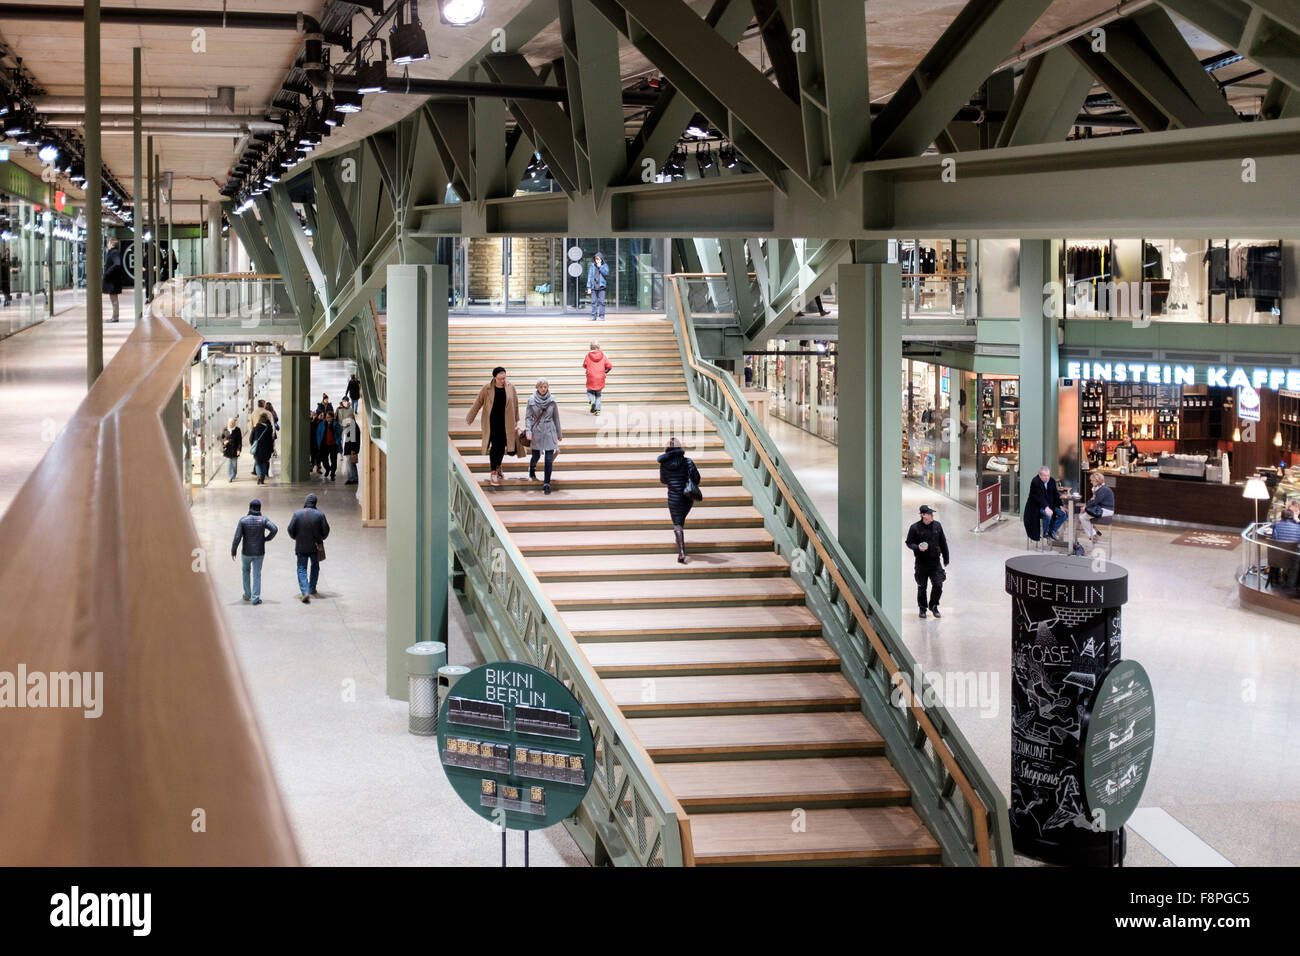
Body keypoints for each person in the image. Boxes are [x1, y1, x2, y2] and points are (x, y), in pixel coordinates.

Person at [465, 366, 520, 486]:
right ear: (494, 377)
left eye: (504, 378)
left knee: (501, 447)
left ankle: (499, 466)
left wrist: (516, 419)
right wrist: (470, 417)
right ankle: (493, 472)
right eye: (500, 379)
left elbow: (515, 403)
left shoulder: (510, 387)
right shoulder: (487, 388)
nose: (502, 381)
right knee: (495, 446)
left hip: (506, 423)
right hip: (492, 423)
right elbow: (478, 402)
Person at [659, 436, 701, 564]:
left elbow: (663, 480)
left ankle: (682, 552)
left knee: (677, 523)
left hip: (673, 497)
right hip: (687, 496)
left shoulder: (664, 464)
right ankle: (680, 540)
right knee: (680, 520)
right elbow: (697, 478)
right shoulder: (688, 462)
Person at [905, 504, 950, 619]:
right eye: (930, 514)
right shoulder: (914, 528)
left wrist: (946, 558)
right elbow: (909, 542)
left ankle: (934, 606)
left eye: (932, 514)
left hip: (935, 563)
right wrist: (917, 547)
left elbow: (943, 542)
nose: (932, 515)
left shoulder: (937, 526)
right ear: (923, 515)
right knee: (922, 587)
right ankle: (922, 608)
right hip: (921, 563)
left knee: (938, 585)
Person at [230, 498, 277, 605]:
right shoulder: (264, 520)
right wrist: (266, 539)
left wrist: (233, 551)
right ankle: (255, 598)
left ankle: (247, 595)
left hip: (246, 552)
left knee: (245, 572)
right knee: (257, 574)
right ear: (259, 508)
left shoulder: (243, 520)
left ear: (250, 508)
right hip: (259, 552)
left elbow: (237, 537)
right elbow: (274, 529)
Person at [287, 492, 329, 603]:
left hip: (301, 546)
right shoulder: (320, 515)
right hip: (315, 546)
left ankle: (305, 592)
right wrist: (320, 539)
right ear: (315, 502)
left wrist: (296, 537)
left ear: (306, 501)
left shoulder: (297, 514)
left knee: (301, 568)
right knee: (315, 566)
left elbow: (290, 529)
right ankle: (312, 588)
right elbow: (326, 531)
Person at [525, 377, 563, 495]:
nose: (543, 389)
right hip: (536, 431)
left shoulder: (552, 400)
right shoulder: (531, 400)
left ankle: (546, 483)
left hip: (549, 431)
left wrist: (559, 433)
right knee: (536, 456)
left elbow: (556, 417)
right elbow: (528, 417)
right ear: (537, 387)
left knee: (548, 459)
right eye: (541, 387)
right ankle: (532, 467)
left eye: (545, 387)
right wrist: (528, 431)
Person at [1024, 465, 1066, 546]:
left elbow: (1056, 494)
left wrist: (1060, 505)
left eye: (1048, 475)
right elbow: (1038, 497)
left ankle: (1052, 531)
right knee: (1048, 514)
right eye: (1045, 476)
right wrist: (1046, 507)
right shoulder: (1035, 482)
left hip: (1050, 505)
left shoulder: (1052, 481)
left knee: (1063, 514)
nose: (1047, 478)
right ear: (1040, 475)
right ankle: (1046, 532)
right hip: (1037, 506)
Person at [1077, 471, 1116, 543]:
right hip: (1103, 509)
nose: (1091, 482)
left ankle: (1093, 535)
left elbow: (1095, 501)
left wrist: (1085, 508)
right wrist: (1085, 507)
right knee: (1083, 515)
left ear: (1097, 481)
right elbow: (1093, 500)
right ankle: (1094, 532)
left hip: (1106, 511)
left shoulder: (1103, 490)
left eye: (1092, 480)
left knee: (1082, 517)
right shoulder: (1101, 488)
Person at [582, 340, 612, 415]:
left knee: (589, 391)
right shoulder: (604, 355)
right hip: (600, 377)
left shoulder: (588, 355)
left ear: (590, 347)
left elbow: (584, 365)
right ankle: (597, 410)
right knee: (598, 394)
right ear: (598, 347)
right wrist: (606, 371)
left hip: (591, 377)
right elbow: (609, 366)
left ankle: (592, 402)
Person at [103, 239, 128, 322]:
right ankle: (115, 316)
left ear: (111, 245)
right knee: (114, 299)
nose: (107, 244)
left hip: (113, 281)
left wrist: (108, 272)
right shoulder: (115, 252)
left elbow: (117, 263)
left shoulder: (114, 253)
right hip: (114, 280)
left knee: (114, 300)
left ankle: (115, 317)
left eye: (109, 243)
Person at [249, 411, 275, 485]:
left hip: (258, 449)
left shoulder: (256, 428)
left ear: (259, 419)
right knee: (264, 463)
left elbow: (251, 439)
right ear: (267, 419)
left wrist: (253, 444)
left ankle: (259, 475)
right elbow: (271, 440)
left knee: (257, 463)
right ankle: (262, 479)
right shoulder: (269, 428)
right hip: (266, 450)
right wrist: (271, 449)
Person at [317, 410, 342, 481]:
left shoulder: (336, 424)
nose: (327, 418)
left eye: (329, 417)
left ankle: (332, 474)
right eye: (326, 417)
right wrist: (319, 443)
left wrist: (337, 441)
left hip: (334, 445)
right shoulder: (322, 424)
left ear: (332, 417)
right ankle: (328, 469)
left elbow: (340, 433)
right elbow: (318, 434)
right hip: (325, 445)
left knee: (333, 460)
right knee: (324, 460)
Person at [341, 401, 361, 485]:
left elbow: (353, 439)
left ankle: (351, 478)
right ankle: (355, 478)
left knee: (350, 464)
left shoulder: (353, 427)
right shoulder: (353, 426)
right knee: (352, 464)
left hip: (351, 449)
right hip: (352, 448)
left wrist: (352, 450)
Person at [586, 251, 609, 322]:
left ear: (601, 259)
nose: (597, 260)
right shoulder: (592, 266)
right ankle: (593, 316)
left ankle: (601, 316)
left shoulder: (605, 265)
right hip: (594, 286)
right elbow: (589, 277)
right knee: (593, 302)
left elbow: (606, 273)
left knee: (602, 302)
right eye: (596, 259)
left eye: (598, 259)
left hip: (601, 287)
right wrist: (589, 287)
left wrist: (600, 267)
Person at [219, 416, 242, 482]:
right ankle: (230, 476)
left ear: (234, 423)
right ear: (228, 423)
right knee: (229, 463)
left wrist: (239, 450)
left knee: (234, 464)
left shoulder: (237, 430)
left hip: (235, 449)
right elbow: (221, 438)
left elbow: (239, 441)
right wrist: (224, 441)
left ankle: (234, 473)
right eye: (230, 423)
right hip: (228, 449)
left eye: (232, 423)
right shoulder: (225, 429)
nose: (231, 424)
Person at [308, 409, 323, 475]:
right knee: (313, 455)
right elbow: (311, 433)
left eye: (322, 415)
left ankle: (317, 467)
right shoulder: (312, 422)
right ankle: (312, 466)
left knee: (318, 455)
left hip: (319, 442)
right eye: (321, 415)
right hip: (313, 442)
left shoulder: (322, 422)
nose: (322, 416)